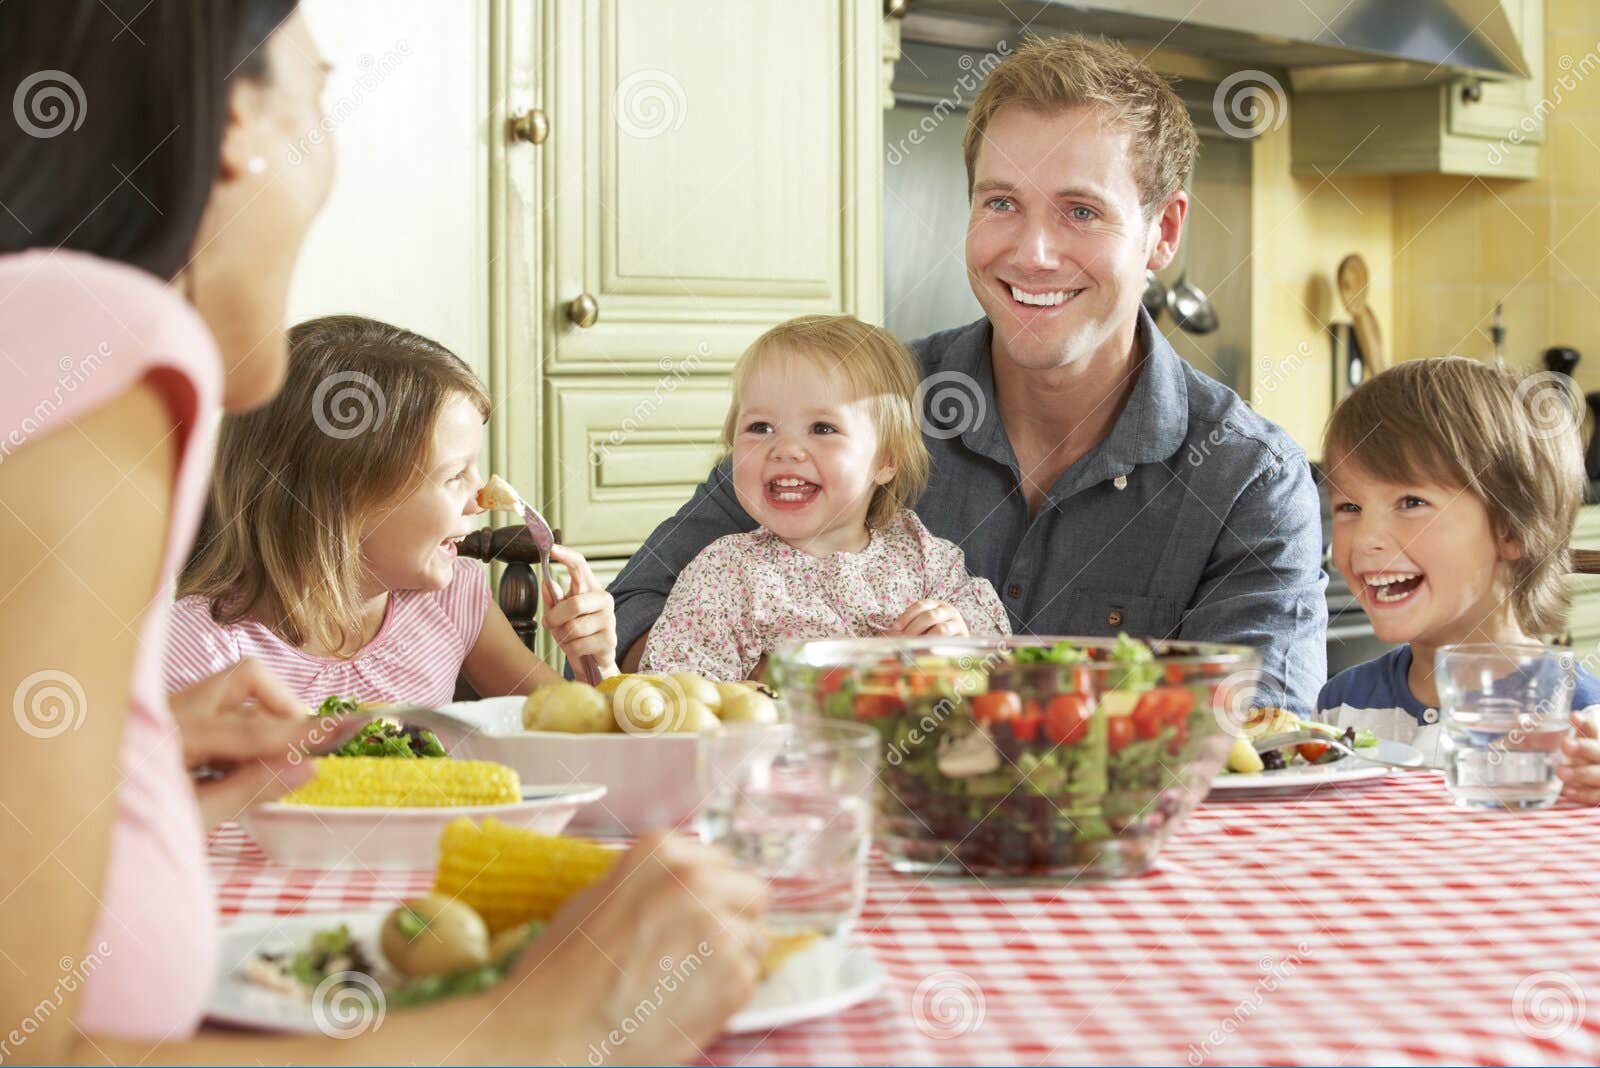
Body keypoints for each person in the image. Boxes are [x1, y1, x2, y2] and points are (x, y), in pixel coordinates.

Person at [0, 0, 764, 1066]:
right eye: (318, 91)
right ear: (234, 127)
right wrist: (533, 1028)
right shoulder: (103, 343)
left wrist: (123, 755)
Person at [608, 34, 1328, 711]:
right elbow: (636, 614)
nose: (1033, 252)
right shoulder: (856, 402)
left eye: (1081, 211)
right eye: (1002, 203)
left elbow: (1251, 740)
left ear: (1162, 231)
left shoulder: (1248, 482)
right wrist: (824, 682)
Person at [167, 314, 618, 705]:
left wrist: (597, 671)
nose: (482, 497)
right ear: (343, 500)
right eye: (454, 475)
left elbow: (573, 739)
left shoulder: (453, 599)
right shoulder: (198, 649)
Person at [640, 315, 1008, 681]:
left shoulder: (923, 556)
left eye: (823, 428)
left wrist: (959, 642)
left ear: (886, 461)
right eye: (760, 427)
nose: (785, 449)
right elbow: (683, 693)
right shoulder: (725, 573)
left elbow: (1001, 658)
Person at [1316, 357, 1600, 798]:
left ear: (1510, 529)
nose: (1365, 541)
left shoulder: (1582, 721)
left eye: (1410, 502)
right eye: (1349, 507)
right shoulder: (1341, 705)